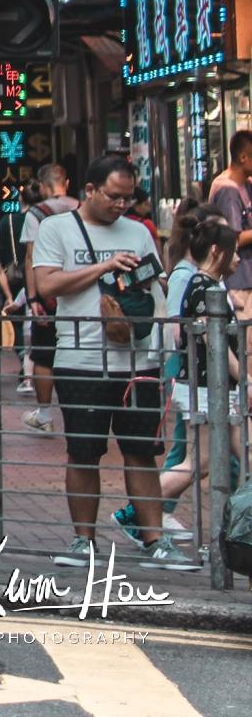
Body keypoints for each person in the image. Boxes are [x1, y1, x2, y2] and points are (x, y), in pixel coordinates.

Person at [32, 155, 193, 571]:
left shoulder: (140, 233)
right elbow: (47, 284)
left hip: (137, 361)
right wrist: (103, 266)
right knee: (83, 452)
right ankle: (83, 541)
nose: (122, 204)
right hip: (81, 359)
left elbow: (154, 287)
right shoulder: (56, 228)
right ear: (89, 190)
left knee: (141, 452)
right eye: (113, 196)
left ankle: (154, 539)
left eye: (128, 197)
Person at [112, 214, 239, 547]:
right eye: (234, 251)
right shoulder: (203, 286)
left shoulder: (206, 284)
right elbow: (217, 343)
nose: (239, 258)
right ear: (217, 251)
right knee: (210, 459)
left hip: (208, 386)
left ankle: (137, 511)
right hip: (209, 387)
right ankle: (138, 511)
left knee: (206, 459)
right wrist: (247, 378)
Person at [17, 166, 80, 433]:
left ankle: (44, 415)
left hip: (49, 292)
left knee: (44, 355)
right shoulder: (82, 206)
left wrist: (33, 298)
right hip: (80, 288)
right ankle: (78, 409)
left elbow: (31, 256)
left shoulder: (36, 213)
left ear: (43, 186)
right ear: (66, 182)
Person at [205, 129, 252, 312]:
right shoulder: (227, 189)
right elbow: (233, 237)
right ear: (243, 157)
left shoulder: (246, 184)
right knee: (247, 338)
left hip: (247, 278)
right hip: (239, 278)